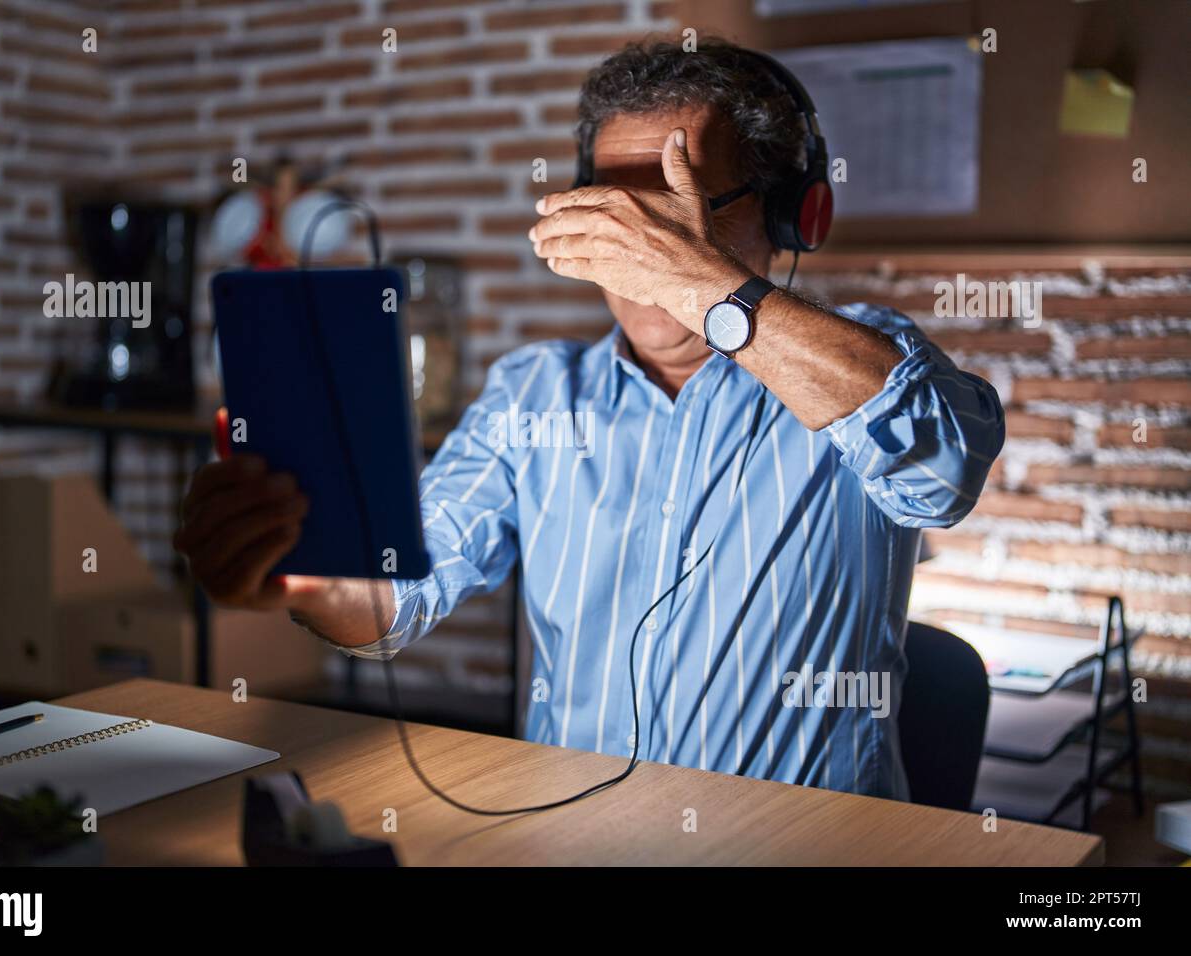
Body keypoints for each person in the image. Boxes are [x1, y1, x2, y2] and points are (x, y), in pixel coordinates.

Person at [174, 39, 1004, 800]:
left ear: (792, 216)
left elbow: (939, 476)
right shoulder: (532, 394)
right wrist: (310, 576)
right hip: (573, 840)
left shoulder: (861, 365)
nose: (642, 251)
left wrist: (704, 287)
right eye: (619, 215)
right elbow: (397, 595)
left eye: (679, 214)